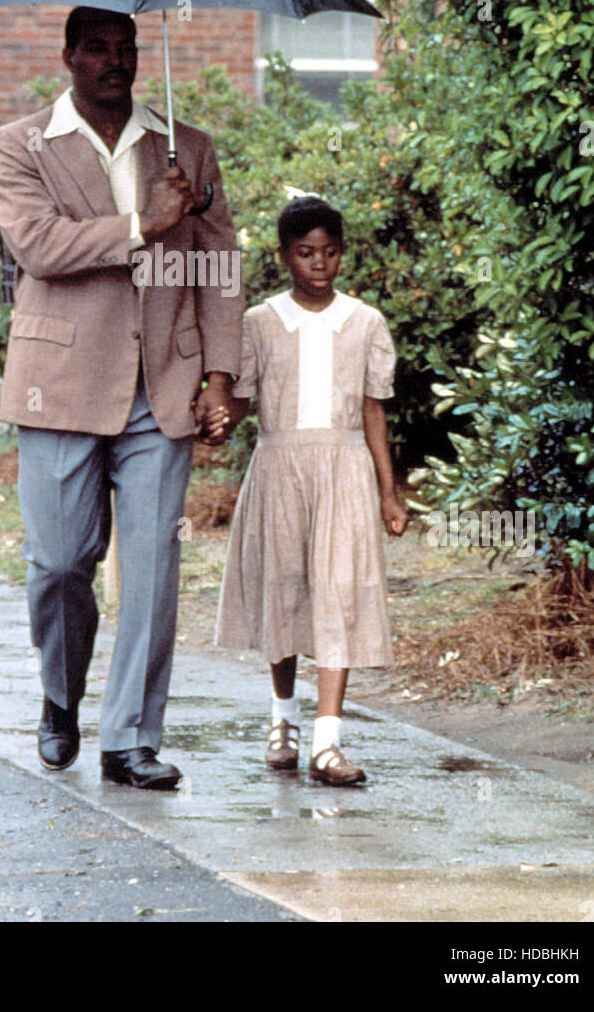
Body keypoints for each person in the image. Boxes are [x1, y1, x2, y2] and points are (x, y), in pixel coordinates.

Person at [0, 6, 243, 790]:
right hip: (58, 385)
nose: (116, 62)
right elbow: (40, 247)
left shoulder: (186, 148)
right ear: (68, 57)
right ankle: (60, 695)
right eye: (98, 48)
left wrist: (222, 376)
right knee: (61, 563)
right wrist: (140, 221)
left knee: (154, 566)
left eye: (127, 48)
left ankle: (131, 736)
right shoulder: (17, 146)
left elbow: (218, 263)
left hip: (161, 384)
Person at [213, 195, 407, 785]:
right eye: (305, 253)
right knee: (284, 589)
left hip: (345, 469)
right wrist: (218, 419)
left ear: (341, 255)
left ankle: (328, 741)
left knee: (339, 591)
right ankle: (282, 720)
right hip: (280, 468)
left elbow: (374, 411)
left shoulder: (365, 322)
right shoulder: (259, 323)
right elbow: (241, 402)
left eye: (329, 253)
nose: (318, 265)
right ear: (284, 257)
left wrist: (388, 491)